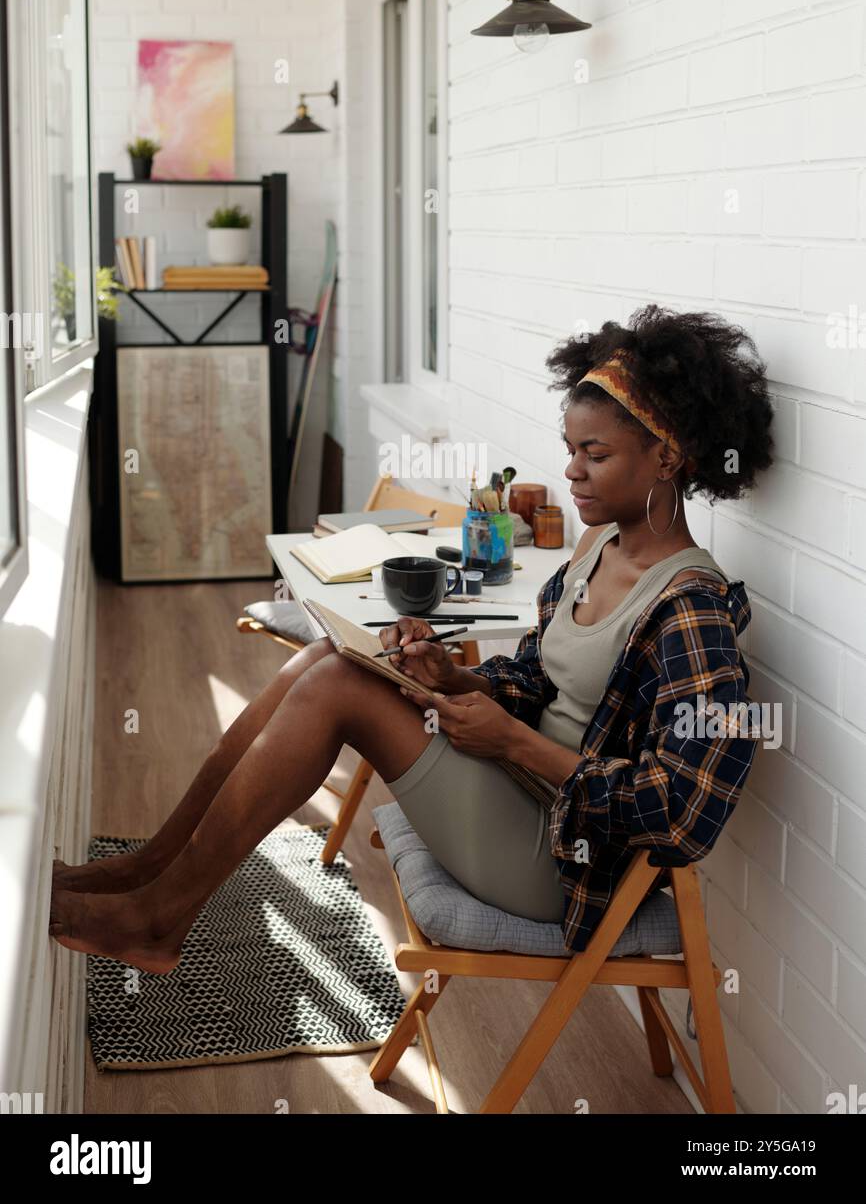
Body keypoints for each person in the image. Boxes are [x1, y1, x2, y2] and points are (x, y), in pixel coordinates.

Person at [50, 304, 774, 974]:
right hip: (512, 789)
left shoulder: (689, 611)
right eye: (570, 448)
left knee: (336, 683)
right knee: (328, 655)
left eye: (595, 454)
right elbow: (536, 676)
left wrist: (515, 743)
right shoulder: (596, 548)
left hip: (561, 858)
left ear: (668, 461)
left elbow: (683, 814)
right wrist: (457, 679)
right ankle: (147, 871)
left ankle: (158, 916)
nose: (571, 471)